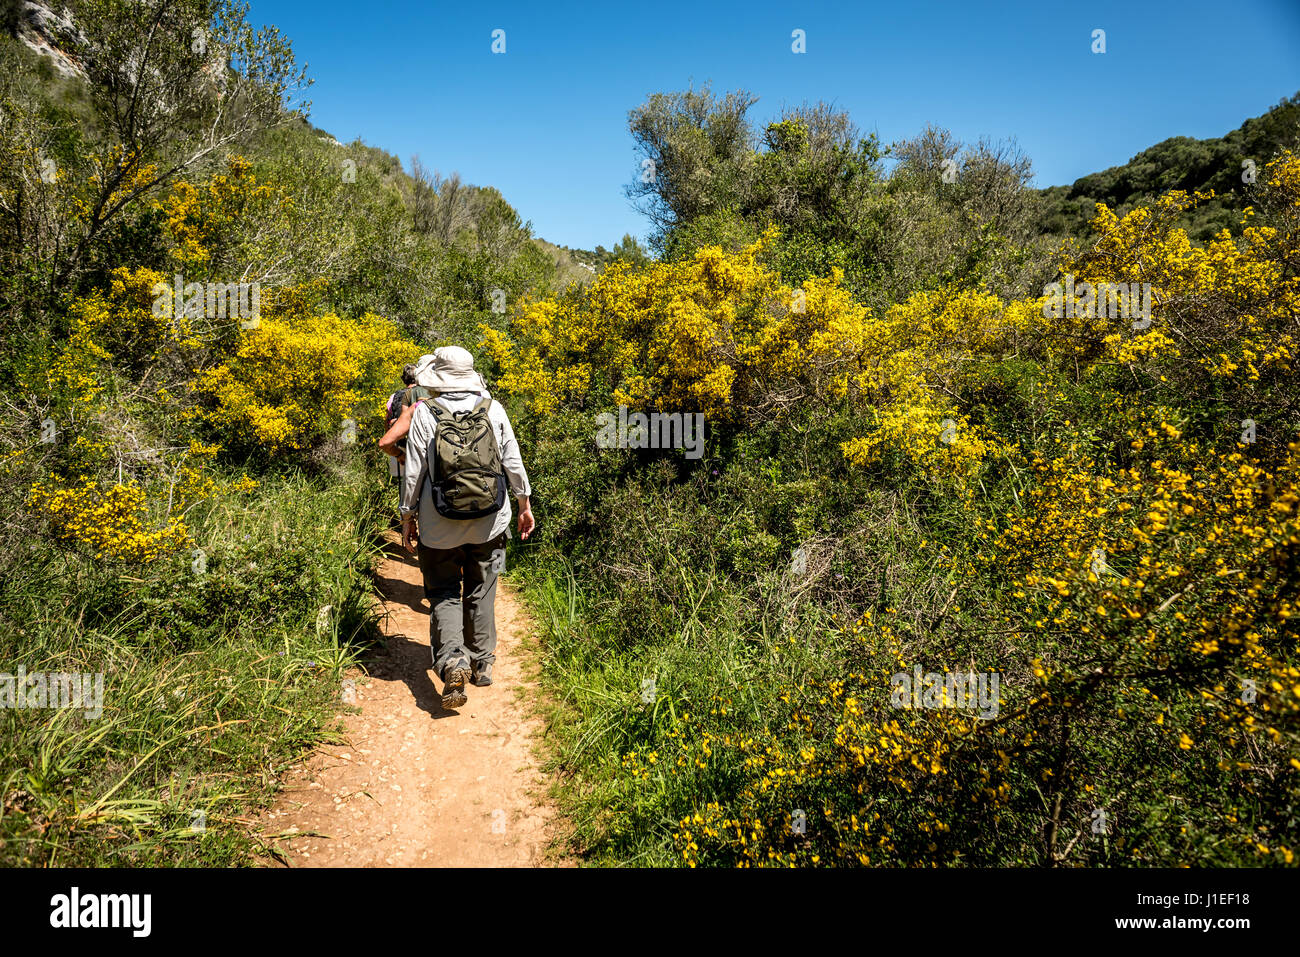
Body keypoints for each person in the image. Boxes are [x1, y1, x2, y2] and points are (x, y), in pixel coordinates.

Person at [389, 346, 535, 710]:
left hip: (439, 523)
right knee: (482, 587)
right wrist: (523, 504)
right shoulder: (493, 408)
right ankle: (482, 664)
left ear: (438, 378)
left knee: (443, 591)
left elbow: (413, 473)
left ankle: (454, 660)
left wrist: (407, 516)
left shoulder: (424, 413)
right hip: (490, 520)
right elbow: (512, 460)